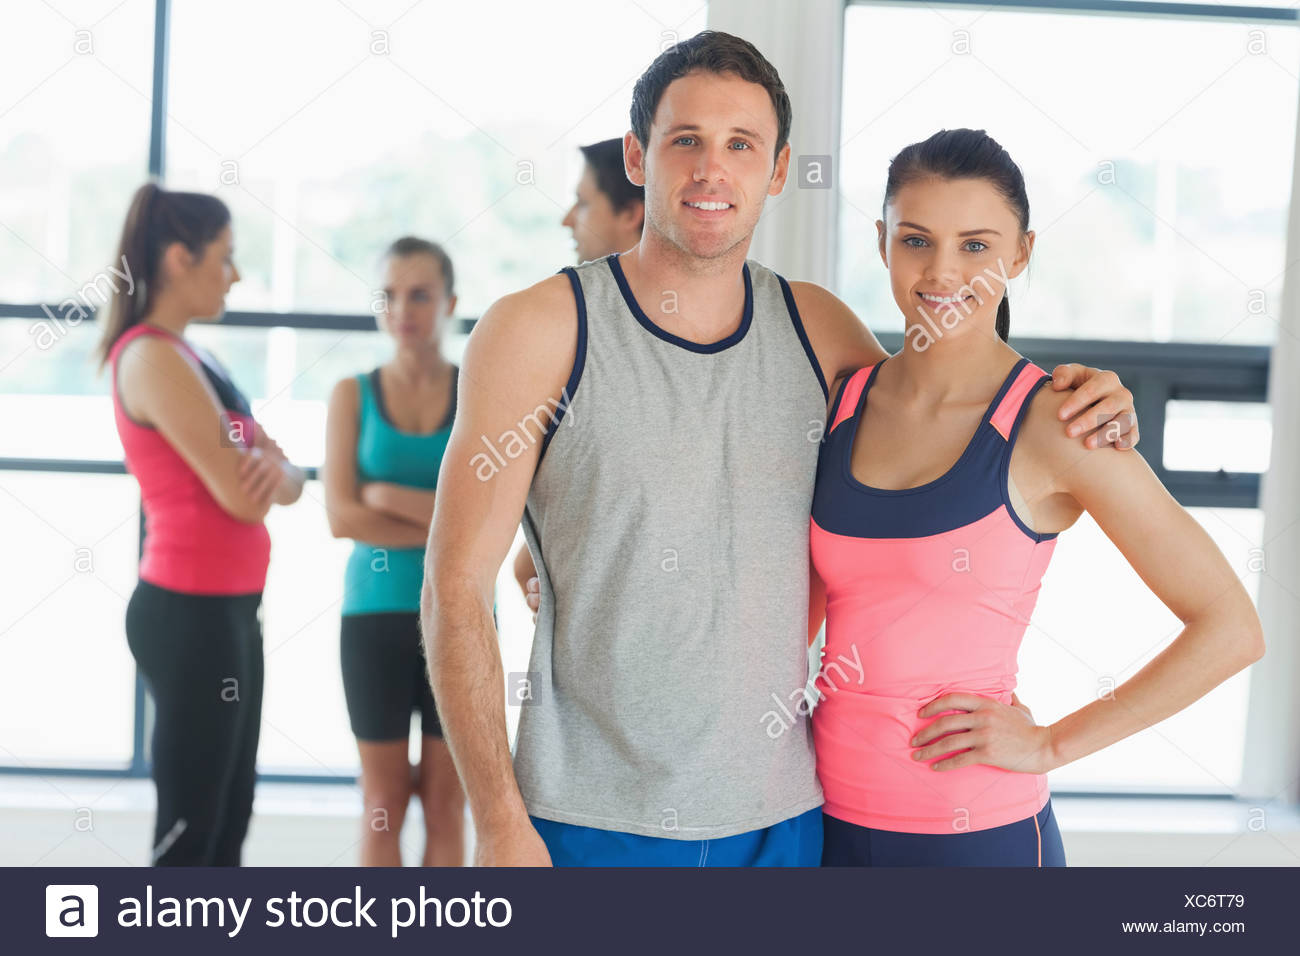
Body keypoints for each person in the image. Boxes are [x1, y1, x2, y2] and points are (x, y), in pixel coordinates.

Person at [424, 31, 1139, 868]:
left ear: (777, 168)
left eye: (741, 145)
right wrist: (499, 823)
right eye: (684, 140)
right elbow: (453, 586)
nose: (710, 170)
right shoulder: (538, 329)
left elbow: (945, 437)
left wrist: (1096, 406)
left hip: (787, 822)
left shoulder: (820, 331)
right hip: (584, 821)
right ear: (636, 156)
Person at [809, 129, 1265, 866]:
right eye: (916, 240)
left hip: (977, 841)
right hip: (823, 826)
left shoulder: (1059, 420)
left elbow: (1232, 627)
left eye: (978, 247)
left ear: (1021, 254)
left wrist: (1052, 743)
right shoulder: (841, 396)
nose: (943, 271)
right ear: (882, 242)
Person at [100, 183, 304, 865]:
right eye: (225, 256)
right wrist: (267, 470)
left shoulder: (198, 359)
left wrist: (271, 470)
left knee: (228, 818)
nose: (237, 274)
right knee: (191, 832)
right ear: (180, 259)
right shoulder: (151, 357)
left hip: (231, 613)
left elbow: (290, 477)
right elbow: (245, 494)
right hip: (189, 616)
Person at [323, 237, 467, 866]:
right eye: (389, 295)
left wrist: (383, 493)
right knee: (382, 801)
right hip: (374, 617)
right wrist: (446, 529)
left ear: (450, 303)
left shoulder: (480, 393)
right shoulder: (351, 395)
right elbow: (340, 516)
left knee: (446, 802)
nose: (403, 309)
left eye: (420, 294)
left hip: (461, 620)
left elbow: (497, 519)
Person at [510, 138, 646, 598]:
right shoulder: (568, 328)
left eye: (584, 203)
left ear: (631, 213)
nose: (567, 218)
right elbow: (528, 564)